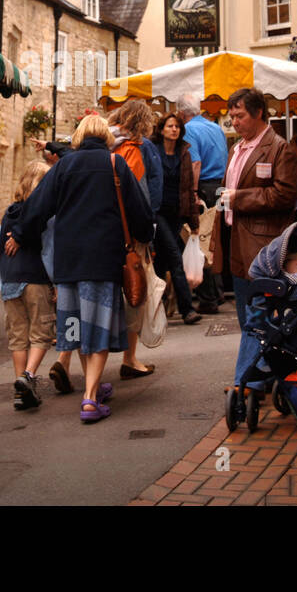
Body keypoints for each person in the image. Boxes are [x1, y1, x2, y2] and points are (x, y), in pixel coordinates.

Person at [11, 114, 153, 423]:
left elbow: (38, 206)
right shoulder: (116, 164)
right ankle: (89, 398)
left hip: (69, 262)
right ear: (105, 136)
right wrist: (147, 236)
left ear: (78, 137)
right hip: (103, 259)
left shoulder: (64, 166)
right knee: (98, 327)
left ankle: (93, 386)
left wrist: (20, 234)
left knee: (77, 328)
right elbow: (140, 212)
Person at [209, 87, 297, 393]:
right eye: (231, 115)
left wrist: (239, 198)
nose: (234, 121)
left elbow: (285, 195)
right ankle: (266, 373)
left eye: (240, 115)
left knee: (257, 315)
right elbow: (226, 192)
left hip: (263, 246)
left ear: (259, 113)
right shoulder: (236, 149)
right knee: (249, 314)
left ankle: (245, 382)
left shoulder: (279, 148)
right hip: (235, 241)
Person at [109, 99, 162, 379]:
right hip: (130, 236)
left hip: (102, 232)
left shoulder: (104, 142)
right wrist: (147, 232)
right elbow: (143, 195)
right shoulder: (136, 149)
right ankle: (130, 359)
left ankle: (69, 361)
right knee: (135, 293)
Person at [0, 160, 56, 410]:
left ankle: (20, 389)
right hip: (36, 278)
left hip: (11, 280)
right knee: (41, 333)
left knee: (18, 336)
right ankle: (28, 376)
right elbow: (50, 251)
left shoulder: (9, 212)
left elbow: (0, 249)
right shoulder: (45, 217)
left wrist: (3, 283)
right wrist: (57, 283)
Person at [178, 93, 228, 313]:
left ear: (181, 113)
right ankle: (218, 292)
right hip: (220, 187)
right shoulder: (215, 127)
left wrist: (193, 192)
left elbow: (195, 162)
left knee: (202, 240)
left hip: (205, 187)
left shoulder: (189, 129)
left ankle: (208, 298)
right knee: (217, 240)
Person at [151, 112, 202, 325]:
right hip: (158, 211)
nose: (174, 129)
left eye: (177, 127)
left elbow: (189, 188)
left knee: (162, 261)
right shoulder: (153, 151)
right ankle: (187, 309)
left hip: (176, 213)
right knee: (175, 257)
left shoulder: (184, 152)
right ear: (162, 129)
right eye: (170, 126)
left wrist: (193, 221)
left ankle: (154, 308)